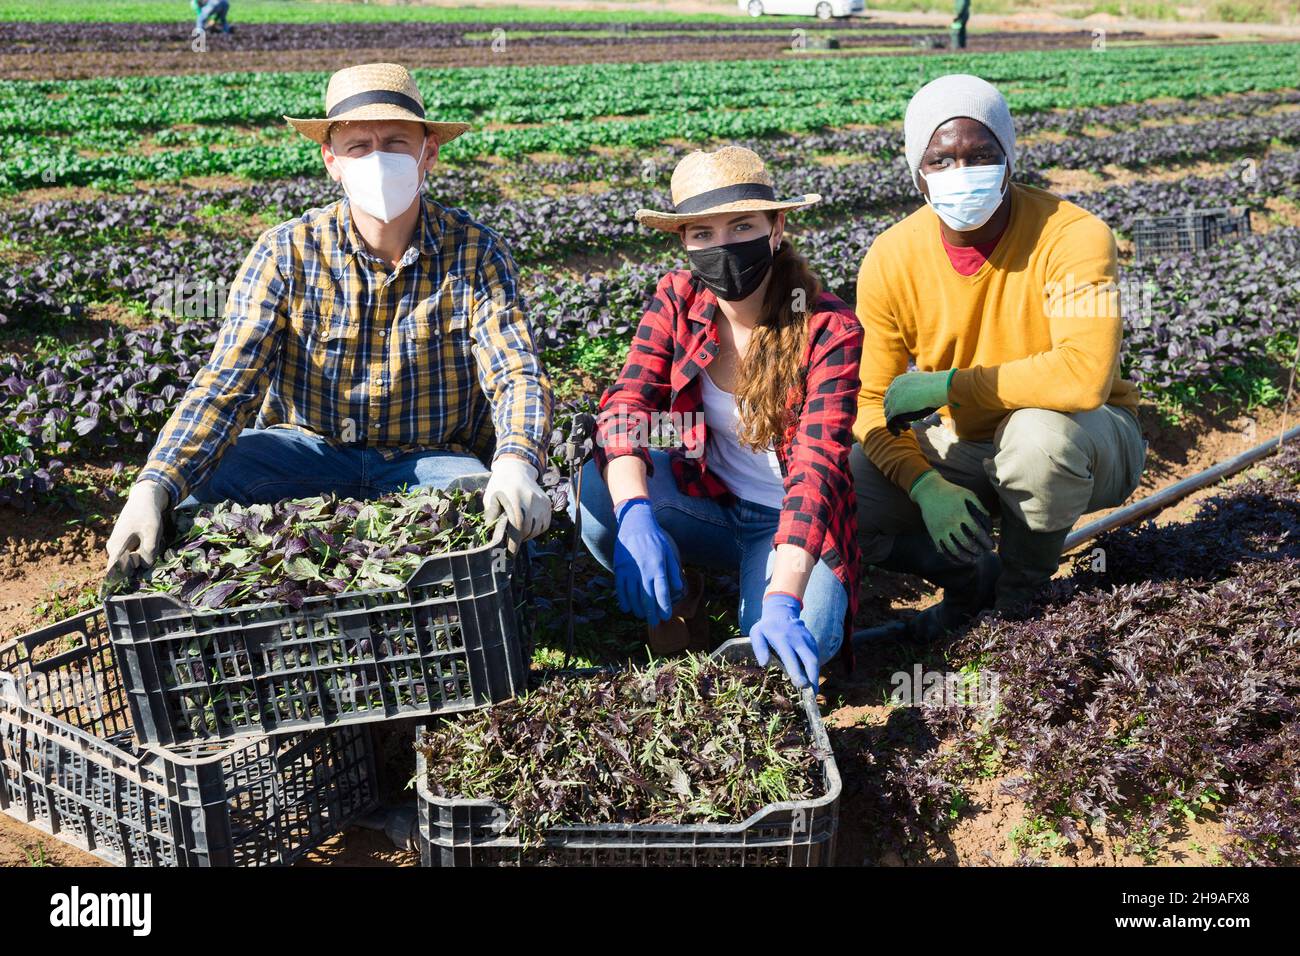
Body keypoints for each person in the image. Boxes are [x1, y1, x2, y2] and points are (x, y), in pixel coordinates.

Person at [106, 63, 553, 575]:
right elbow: (226, 385)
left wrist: (516, 462)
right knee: (203, 482)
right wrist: (153, 486)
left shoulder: (475, 252)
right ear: (332, 160)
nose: (377, 158)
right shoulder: (285, 252)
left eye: (396, 142)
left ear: (428, 152)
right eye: (359, 146)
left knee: (489, 511)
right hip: (303, 455)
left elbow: (516, 372)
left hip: (429, 463)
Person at [852, 73, 1145, 642]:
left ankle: (1021, 598)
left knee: (1038, 439)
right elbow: (870, 403)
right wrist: (924, 486)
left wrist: (950, 386)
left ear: (1010, 159)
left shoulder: (1073, 236)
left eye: (982, 155)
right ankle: (968, 583)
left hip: (1091, 438)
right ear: (918, 173)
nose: (963, 174)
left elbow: (1084, 379)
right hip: (970, 445)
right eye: (942, 160)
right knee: (851, 481)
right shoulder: (892, 257)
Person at [570, 146, 863, 689]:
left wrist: (782, 595)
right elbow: (627, 405)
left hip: (792, 524)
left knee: (787, 652)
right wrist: (634, 512)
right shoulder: (678, 299)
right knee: (595, 489)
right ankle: (681, 597)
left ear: (776, 229)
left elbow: (817, 470)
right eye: (702, 233)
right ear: (683, 241)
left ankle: (765, 594)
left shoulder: (827, 328)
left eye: (742, 225)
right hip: (709, 499)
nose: (723, 246)